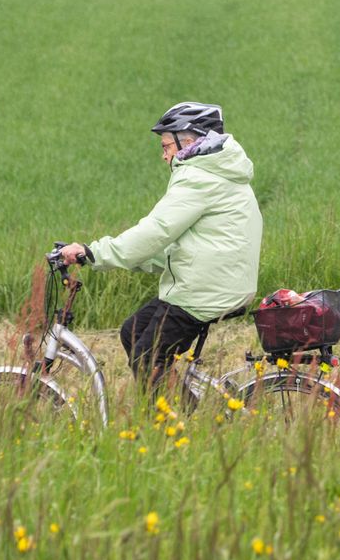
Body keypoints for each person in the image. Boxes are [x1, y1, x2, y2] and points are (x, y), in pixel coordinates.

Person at [59, 102, 263, 392]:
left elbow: (155, 231)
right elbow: (175, 247)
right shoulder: (214, 172)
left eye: (167, 146)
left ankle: (174, 426)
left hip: (206, 290)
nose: (163, 155)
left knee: (146, 356)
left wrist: (94, 253)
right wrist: (101, 256)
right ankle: (182, 412)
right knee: (134, 332)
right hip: (212, 282)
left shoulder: (199, 178)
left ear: (188, 141)